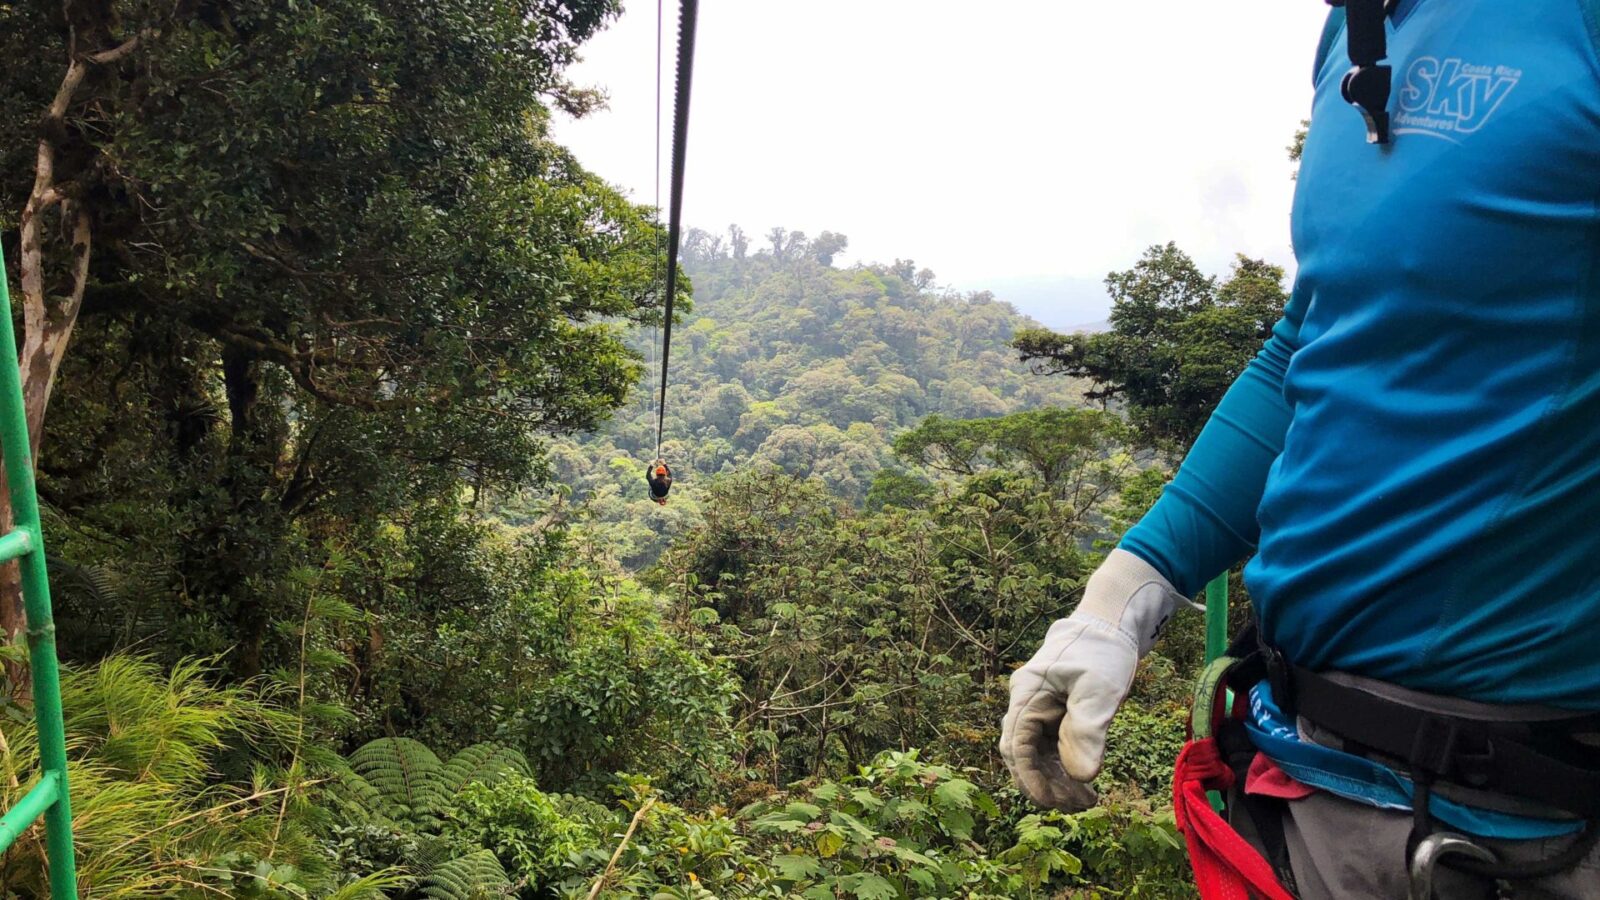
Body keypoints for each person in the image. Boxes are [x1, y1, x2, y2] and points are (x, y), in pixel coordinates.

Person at [1000, 2, 1600, 898]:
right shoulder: (1362, 30)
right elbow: (1316, 335)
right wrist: (1126, 591)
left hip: (1533, 826)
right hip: (1303, 787)